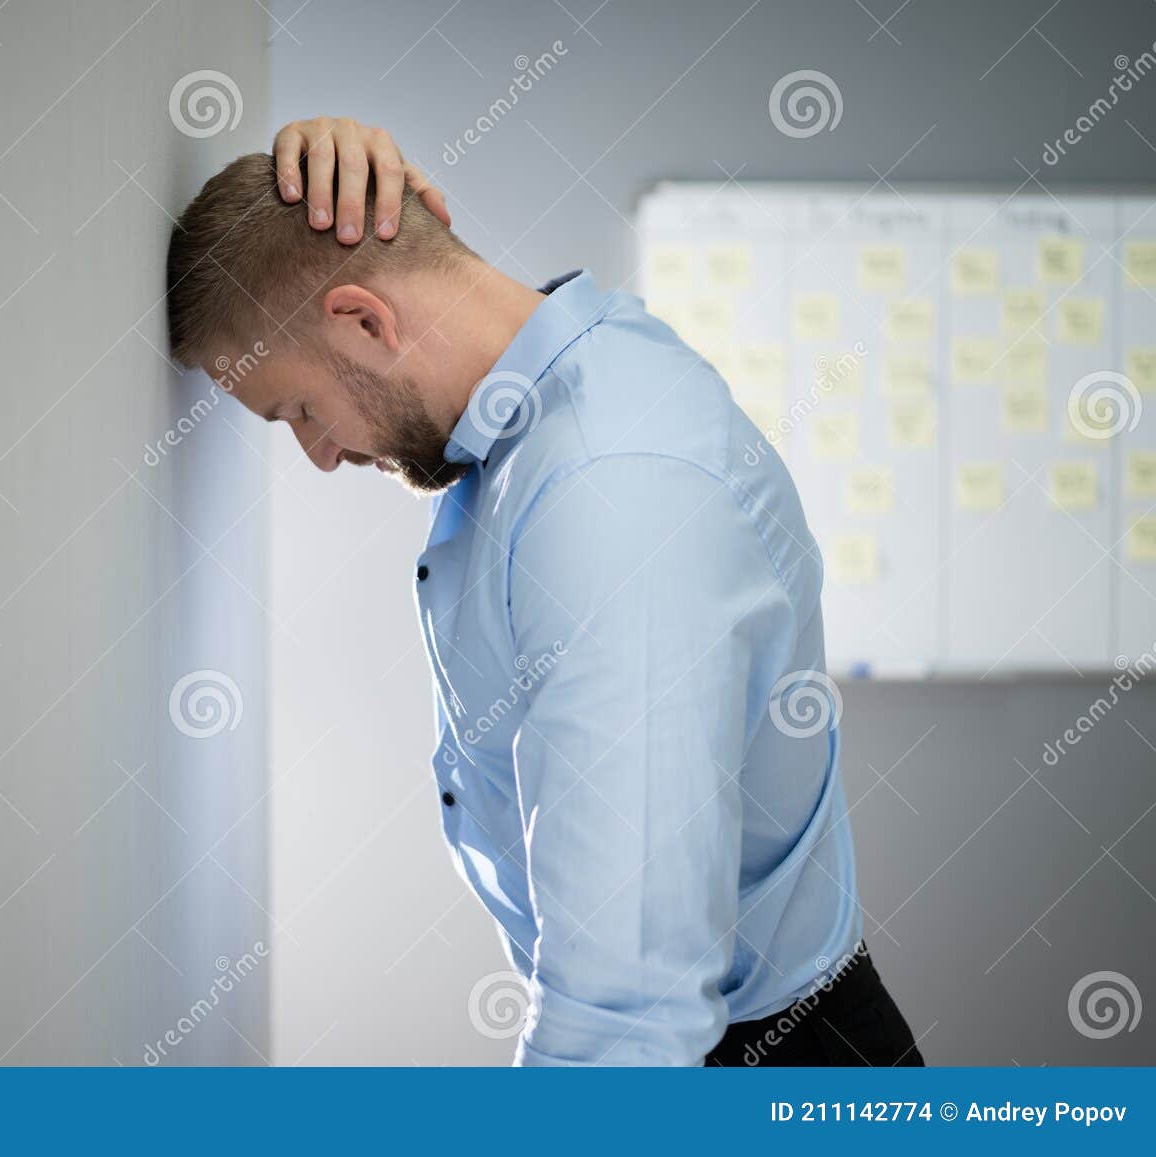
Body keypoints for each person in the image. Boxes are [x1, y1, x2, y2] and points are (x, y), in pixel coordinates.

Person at [165, 117, 924, 1067]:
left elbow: (627, 1013)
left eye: (300, 410)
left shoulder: (613, 489)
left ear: (364, 319)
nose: (319, 455)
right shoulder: (570, 386)